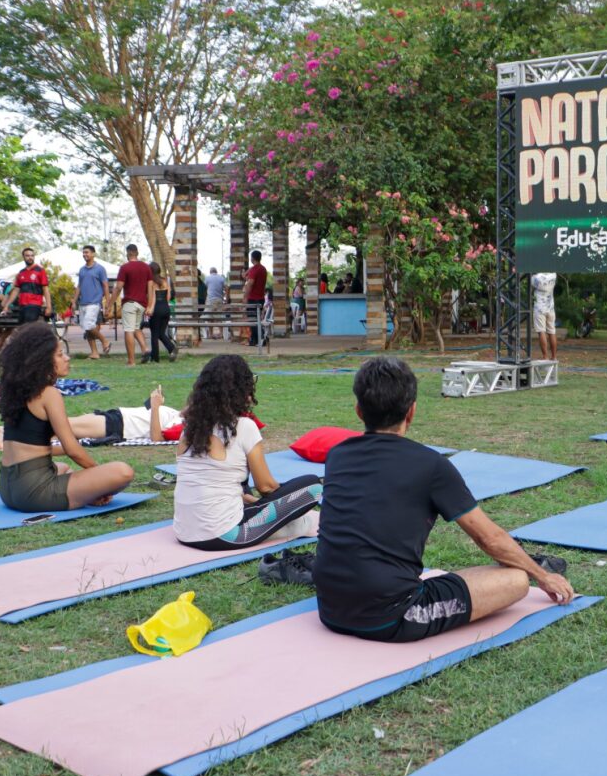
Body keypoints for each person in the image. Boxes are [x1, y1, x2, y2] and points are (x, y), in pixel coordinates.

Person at [313, 357, 575, 643]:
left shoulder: (337, 455)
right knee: (516, 579)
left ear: (359, 411)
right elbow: (489, 539)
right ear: (411, 411)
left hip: (329, 608)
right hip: (392, 616)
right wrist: (542, 575)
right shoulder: (431, 465)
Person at [172, 355, 322, 550]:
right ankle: (296, 526)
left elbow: (213, 481)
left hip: (184, 533)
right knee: (312, 487)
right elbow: (266, 486)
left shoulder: (189, 429)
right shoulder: (244, 427)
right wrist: (283, 503)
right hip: (227, 535)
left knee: (245, 489)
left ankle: (284, 522)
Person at [0, 323, 134, 512]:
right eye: (60, 355)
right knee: (123, 472)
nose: (67, 358)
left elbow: (36, 446)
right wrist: (98, 479)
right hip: (34, 492)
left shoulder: (17, 391)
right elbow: (72, 449)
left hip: (9, 488)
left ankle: (84, 492)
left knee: (62, 468)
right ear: (41, 360)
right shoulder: (49, 394)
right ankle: (87, 494)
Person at [0, 385, 183, 450]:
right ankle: (4, 438)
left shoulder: (182, 425)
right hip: (117, 417)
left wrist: (155, 408)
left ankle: (3, 434)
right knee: (59, 429)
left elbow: (157, 438)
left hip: (118, 425)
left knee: (61, 424)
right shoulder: (178, 414)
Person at [110, 243, 152, 366]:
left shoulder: (125, 268)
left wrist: (109, 303)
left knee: (128, 330)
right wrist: (149, 304)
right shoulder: (146, 267)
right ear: (137, 253)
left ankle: (131, 361)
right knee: (136, 328)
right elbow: (150, 287)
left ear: (128, 254)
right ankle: (145, 349)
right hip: (142, 304)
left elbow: (118, 287)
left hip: (129, 303)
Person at [75, 245, 111, 359]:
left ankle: (105, 341)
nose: (85, 254)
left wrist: (107, 304)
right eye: (83, 253)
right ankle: (94, 353)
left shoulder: (100, 269)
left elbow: (105, 286)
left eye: (87, 252)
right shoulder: (81, 270)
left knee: (89, 325)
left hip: (95, 303)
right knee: (87, 328)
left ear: (93, 254)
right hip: (83, 303)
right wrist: (73, 301)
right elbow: (79, 286)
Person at [1, 248, 52, 324]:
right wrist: (7, 305)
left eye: (32, 255)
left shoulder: (40, 270)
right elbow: (16, 290)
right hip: (22, 305)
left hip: (34, 304)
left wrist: (49, 306)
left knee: (28, 328)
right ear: (23, 257)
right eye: (27, 255)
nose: (30, 257)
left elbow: (45, 289)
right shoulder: (21, 273)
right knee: (22, 328)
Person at [146, 261, 178, 363]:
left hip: (156, 309)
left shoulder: (151, 283)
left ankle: (155, 357)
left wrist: (150, 308)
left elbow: (153, 297)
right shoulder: (165, 281)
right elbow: (168, 297)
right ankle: (172, 348)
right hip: (166, 309)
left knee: (154, 335)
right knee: (161, 333)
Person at [531, 272, 558, 361]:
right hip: (550, 308)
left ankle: (545, 356)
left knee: (541, 332)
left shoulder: (536, 278)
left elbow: (529, 282)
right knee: (552, 332)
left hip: (539, 308)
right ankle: (554, 357)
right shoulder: (553, 275)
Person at [244, 250, 269, 345]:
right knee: (256, 319)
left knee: (253, 320)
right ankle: (254, 340)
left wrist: (245, 297)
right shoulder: (263, 269)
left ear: (252, 258)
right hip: (261, 297)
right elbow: (246, 277)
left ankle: (262, 339)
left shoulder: (254, 269)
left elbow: (250, 283)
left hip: (253, 298)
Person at [205, 267, 227, 341]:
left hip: (210, 300)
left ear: (210, 272)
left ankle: (211, 334)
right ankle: (221, 334)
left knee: (209, 317)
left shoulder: (207, 278)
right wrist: (226, 298)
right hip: (219, 299)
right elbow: (226, 287)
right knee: (219, 317)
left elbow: (205, 288)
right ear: (216, 272)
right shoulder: (221, 278)